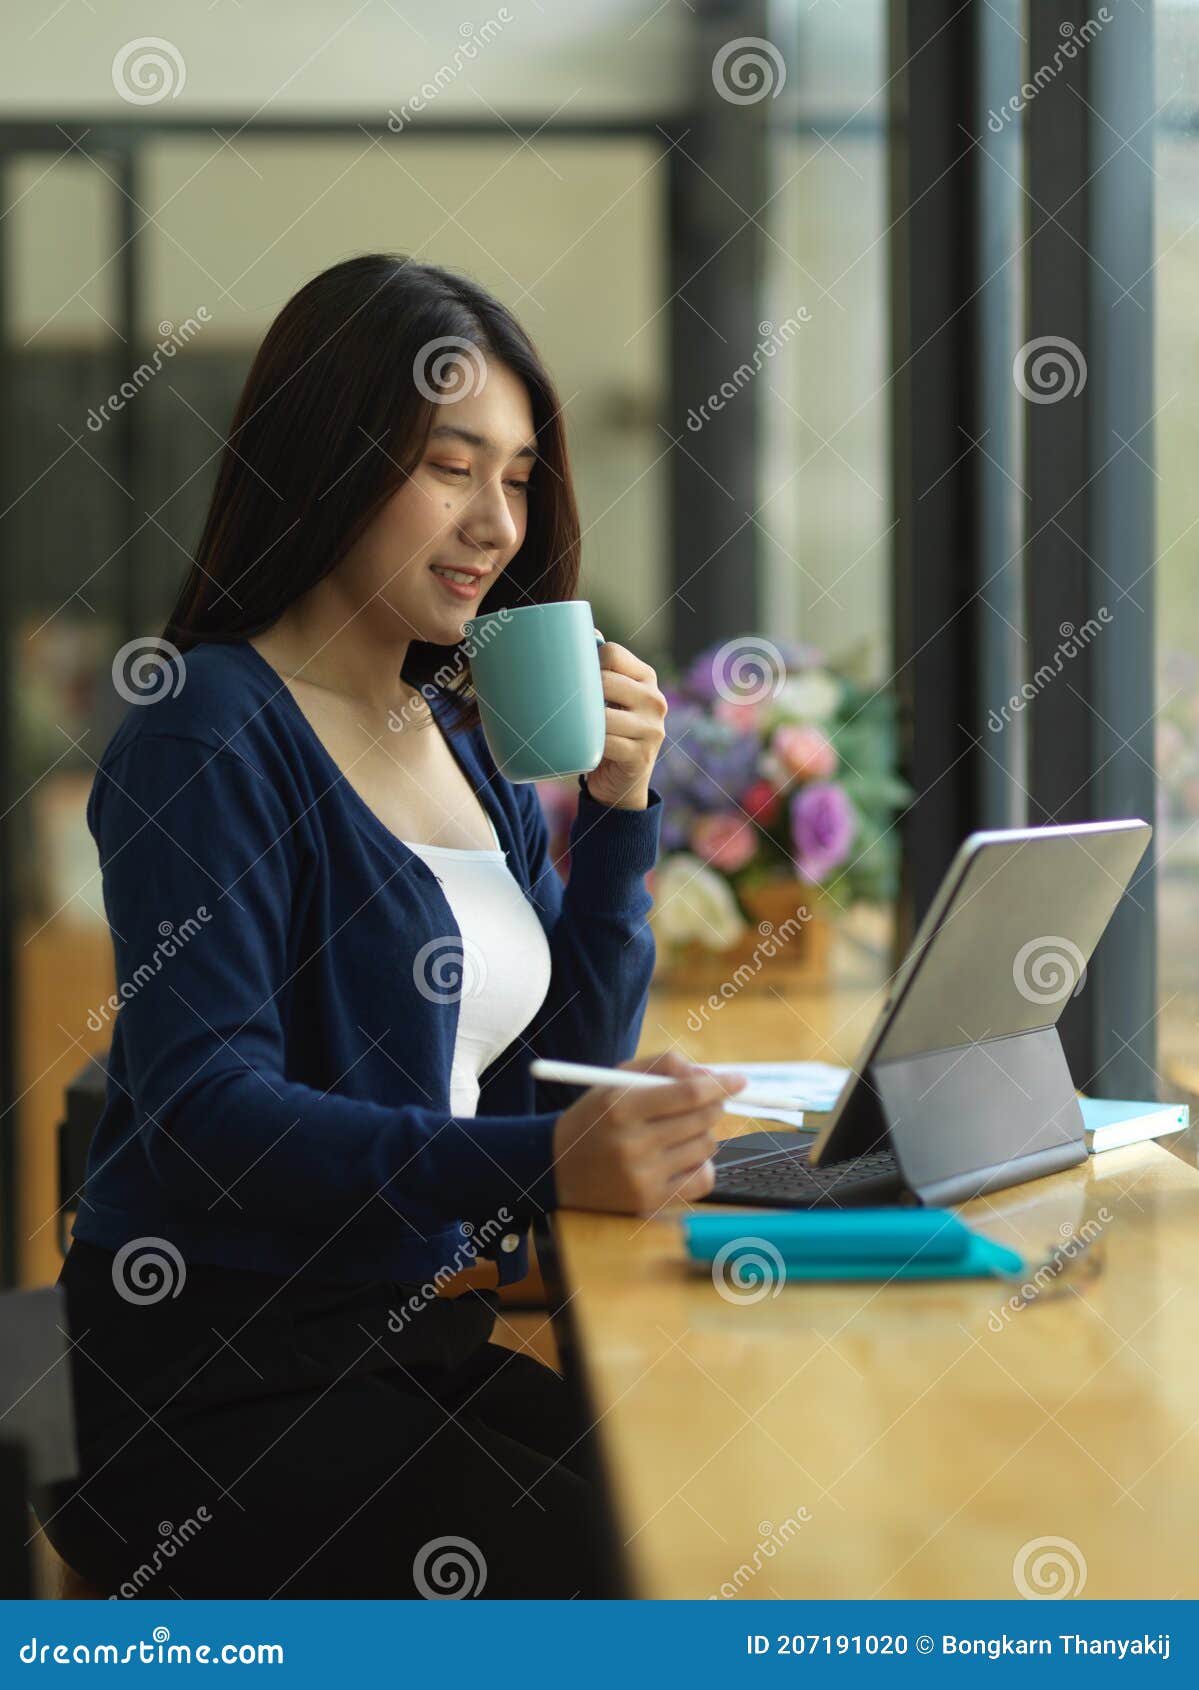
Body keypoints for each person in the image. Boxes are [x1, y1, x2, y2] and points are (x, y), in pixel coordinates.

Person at [35, 253, 747, 1600]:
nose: (497, 522)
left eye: (521, 475)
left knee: (708, 1492)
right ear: (331, 457)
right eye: (449, 464)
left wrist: (623, 811)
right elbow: (206, 1109)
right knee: (631, 1568)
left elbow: (559, 1068)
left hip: (400, 1343)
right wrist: (543, 1158)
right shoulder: (208, 730)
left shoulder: (459, 736)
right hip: (215, 1385)